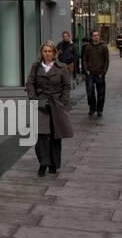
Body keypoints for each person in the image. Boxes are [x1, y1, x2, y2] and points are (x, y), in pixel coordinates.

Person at [26, 40, 72, 174]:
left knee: (55, 135)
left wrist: (63, 102)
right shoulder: (36, 66)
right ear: (41, 53)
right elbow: (30, 83)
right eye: (45, 51)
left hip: (56, 104)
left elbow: (67, 86)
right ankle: (43, 163)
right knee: (41, 135)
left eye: (50, 51)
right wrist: (33, 98)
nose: (47, 54)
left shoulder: (61, 67)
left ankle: (54, 164)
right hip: (41, 104)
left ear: (54, 53)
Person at [82, 29, 109, 118]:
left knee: (101, 93)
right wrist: (86, 70)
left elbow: (106, 61)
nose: (96, 37)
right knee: (90, 92)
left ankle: (100, 109)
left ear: (99, 36)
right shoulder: (88, 47)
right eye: (94, 35)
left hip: (100, 74)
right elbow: (84, 59)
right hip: (90, 74)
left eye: (97, 35)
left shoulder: (104, 47)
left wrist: (104, 72)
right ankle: (92, 108)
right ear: (92, 37)